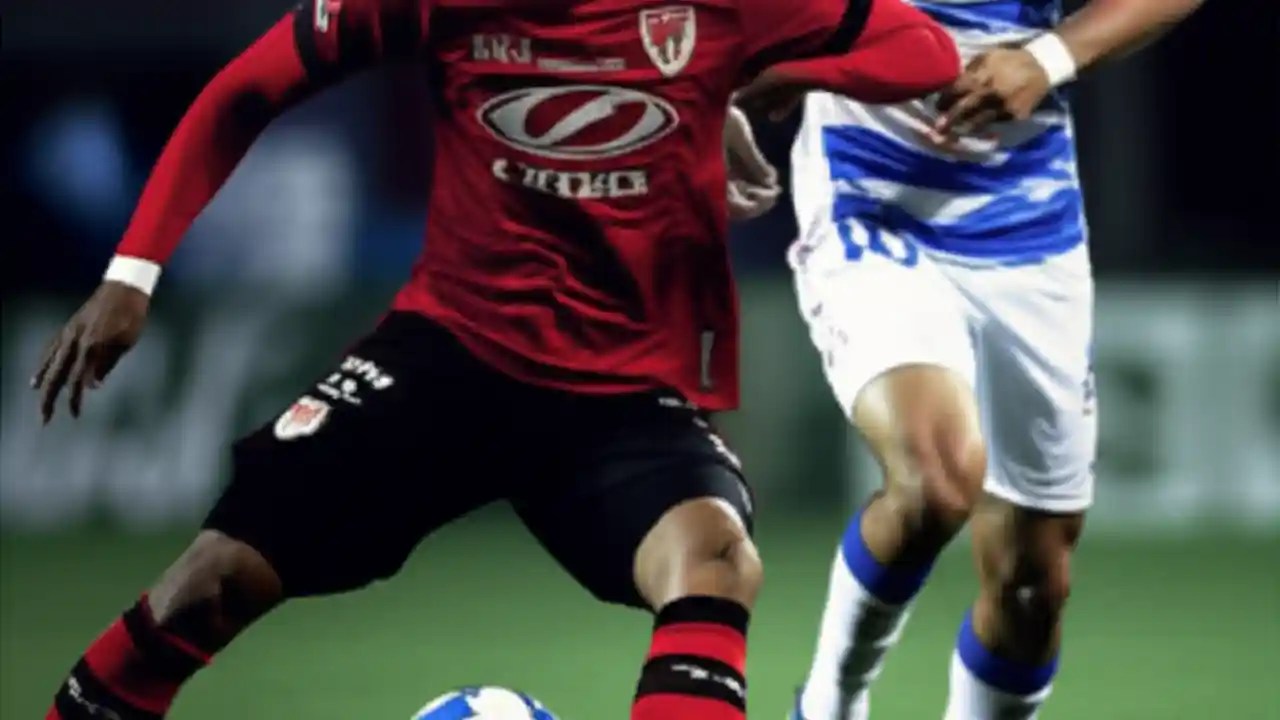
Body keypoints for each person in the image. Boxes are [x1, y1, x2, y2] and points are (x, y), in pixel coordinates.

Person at [31, 0, 960, 718]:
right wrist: (133, 271)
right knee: (213, 579)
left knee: (715, 560)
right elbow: (251, 85)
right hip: (452, 357)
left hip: (623, 391)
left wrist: (740, 75)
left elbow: (924, 50)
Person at [761, 0, 1205, 718]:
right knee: (937, 479)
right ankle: (827, 705)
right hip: (871, 194)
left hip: (1028, 213)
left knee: (1035, 581)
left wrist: (1046, 59)